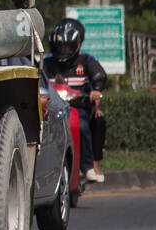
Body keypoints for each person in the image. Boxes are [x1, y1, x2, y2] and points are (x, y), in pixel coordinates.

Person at [42, 18, 107, 182]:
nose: (63, 50)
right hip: (52, 109)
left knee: (83, 125)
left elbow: (99, 76)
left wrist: (96, 91)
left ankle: (88, 166)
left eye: (67, 46)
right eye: (59, 46)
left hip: (78, 108)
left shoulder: (86, 61)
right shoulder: (47, 63)